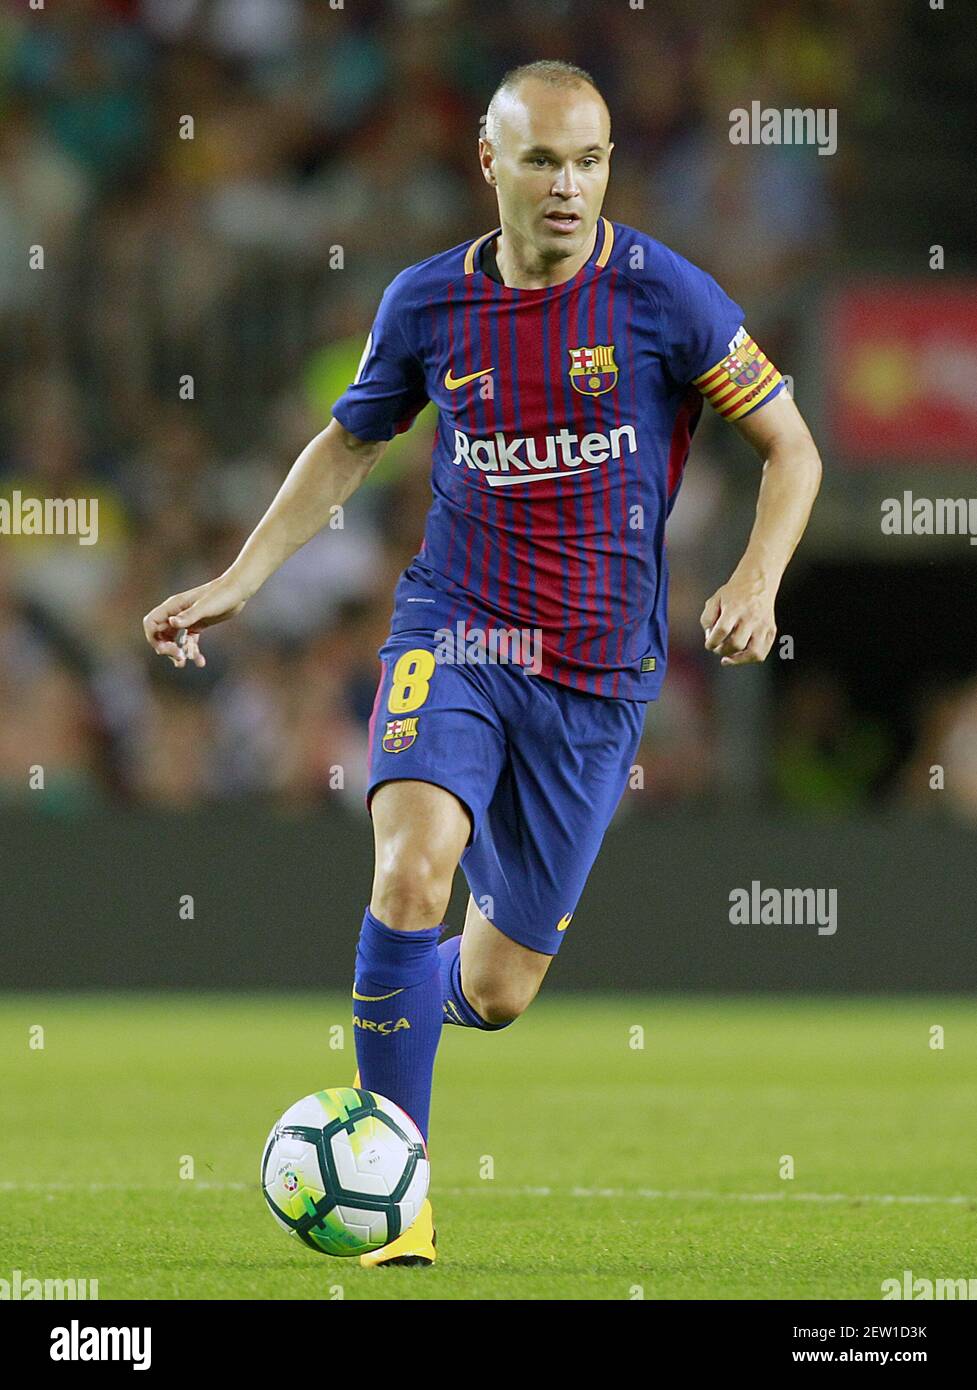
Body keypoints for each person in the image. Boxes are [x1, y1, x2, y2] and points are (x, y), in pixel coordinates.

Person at [143, 60, 822, 1267]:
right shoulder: (425, 305)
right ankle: (395, 1195)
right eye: (543, 161)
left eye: (591, 160)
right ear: (488, 165)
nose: (569, 188)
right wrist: (238, 579)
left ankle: (390, 998)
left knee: (499, 989)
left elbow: (790, 446)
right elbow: (346, 446)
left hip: (594, 677)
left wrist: (755, 579)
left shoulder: (661, 294)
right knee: (412, 871)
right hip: (455, 630)